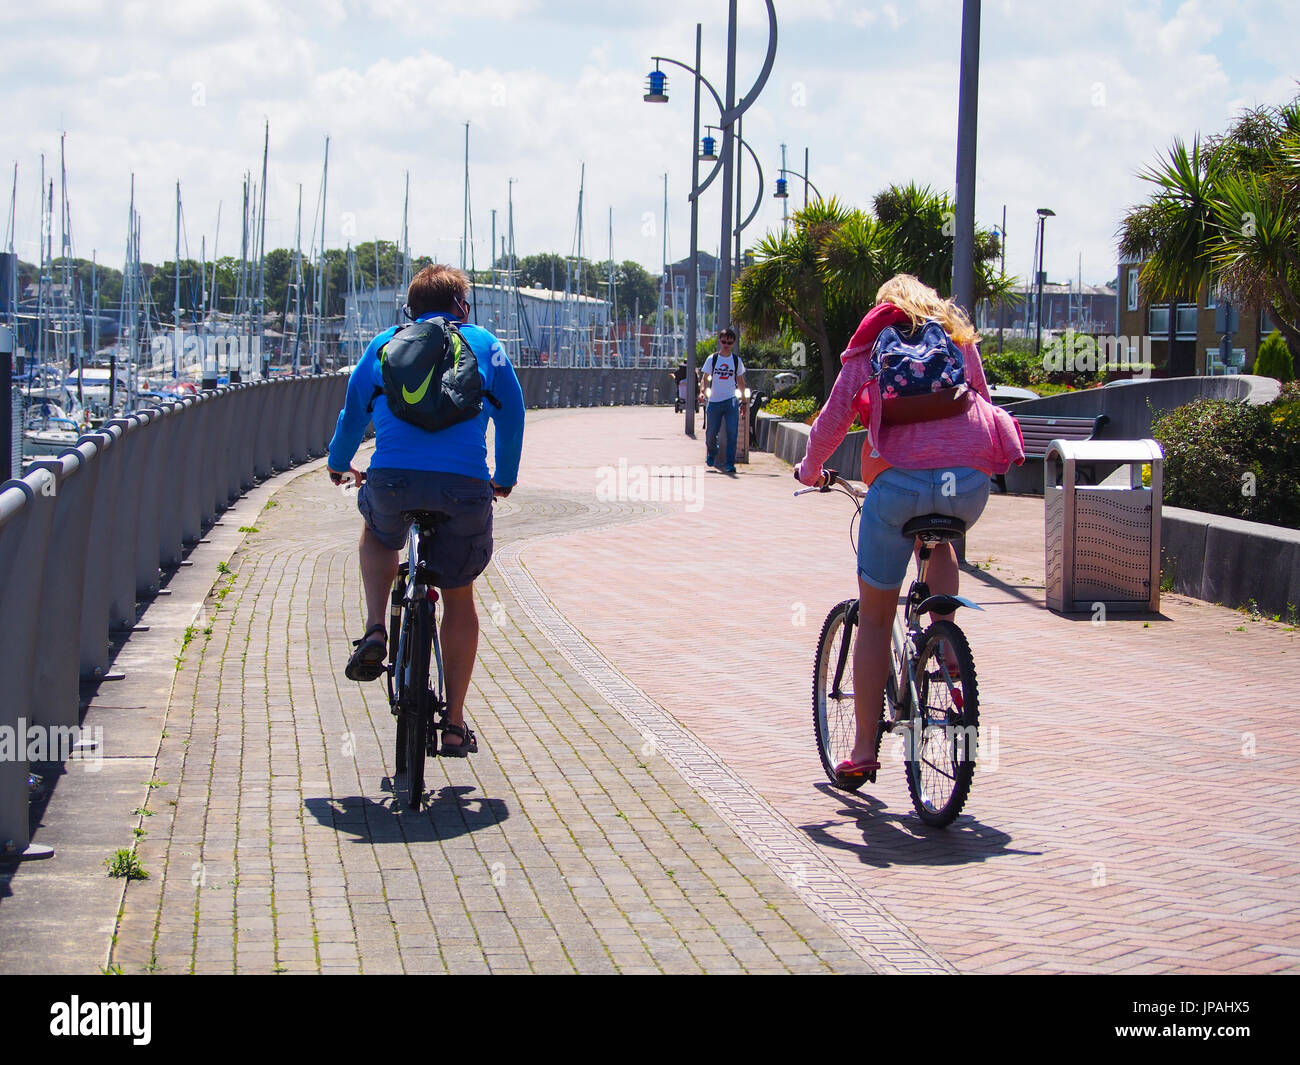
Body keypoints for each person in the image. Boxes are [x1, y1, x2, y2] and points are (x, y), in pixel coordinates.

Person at [794, 274, 1023, 781]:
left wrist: (810, 470)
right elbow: (981, 401)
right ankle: (944, 640)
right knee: (941, 539)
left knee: (876, 619)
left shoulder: (872, 338)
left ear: (885, 305)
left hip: (898, 488)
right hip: (967, 486)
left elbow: (834, 419)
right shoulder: (956, 337)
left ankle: (861, 752)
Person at [327, 264, 525, 756]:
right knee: (459, 597)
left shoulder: (383, 344)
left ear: (410, 309)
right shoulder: (488, 345)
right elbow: (514, 414)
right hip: (464, 488)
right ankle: (454, 725)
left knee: (377, 533)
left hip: (393, 481)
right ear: (462, 305)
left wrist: (338, 462)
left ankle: (376, 628)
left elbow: (353, 412)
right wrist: (504, 477)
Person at [700, 327, 747, 473]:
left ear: (733, 343)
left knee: (732, 433)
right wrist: (702, 391)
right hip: (714, 401)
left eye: (730, 341)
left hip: (730, 400)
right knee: (710, 434)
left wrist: (744, 401)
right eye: (724, 341)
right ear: (720, 341)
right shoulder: (712, 359)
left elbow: (741, 382)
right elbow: (705, 378)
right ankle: (712, 452)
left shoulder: (736, 361)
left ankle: (729, 463)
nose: (726, 344)